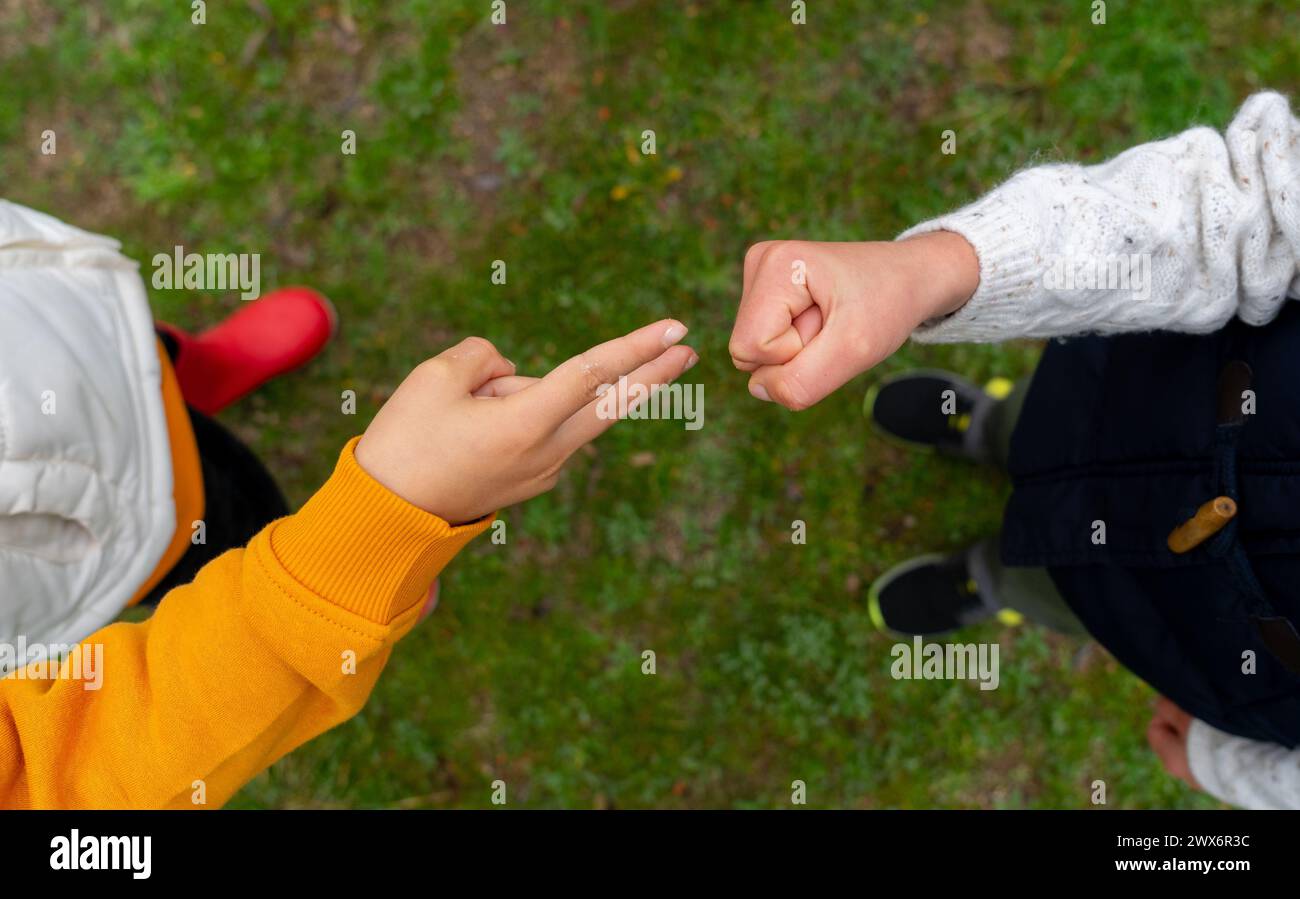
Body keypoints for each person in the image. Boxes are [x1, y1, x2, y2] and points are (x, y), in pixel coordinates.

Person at [0, 197, 696, 807]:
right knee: (226, 519)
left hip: (50, 332)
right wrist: (363, 549)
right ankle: (217, 466)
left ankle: (185, 373)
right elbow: (69, 774)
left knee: (127, 363)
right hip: (106, 516)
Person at [729, 92, 1300, 809]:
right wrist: (930, 271)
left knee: (1083, 588)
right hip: (1155, 393)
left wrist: (1223, 764)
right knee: (1051, 417)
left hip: (1200, 617)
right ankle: (990, 424)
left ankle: (996, 581)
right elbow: (1243, 213)